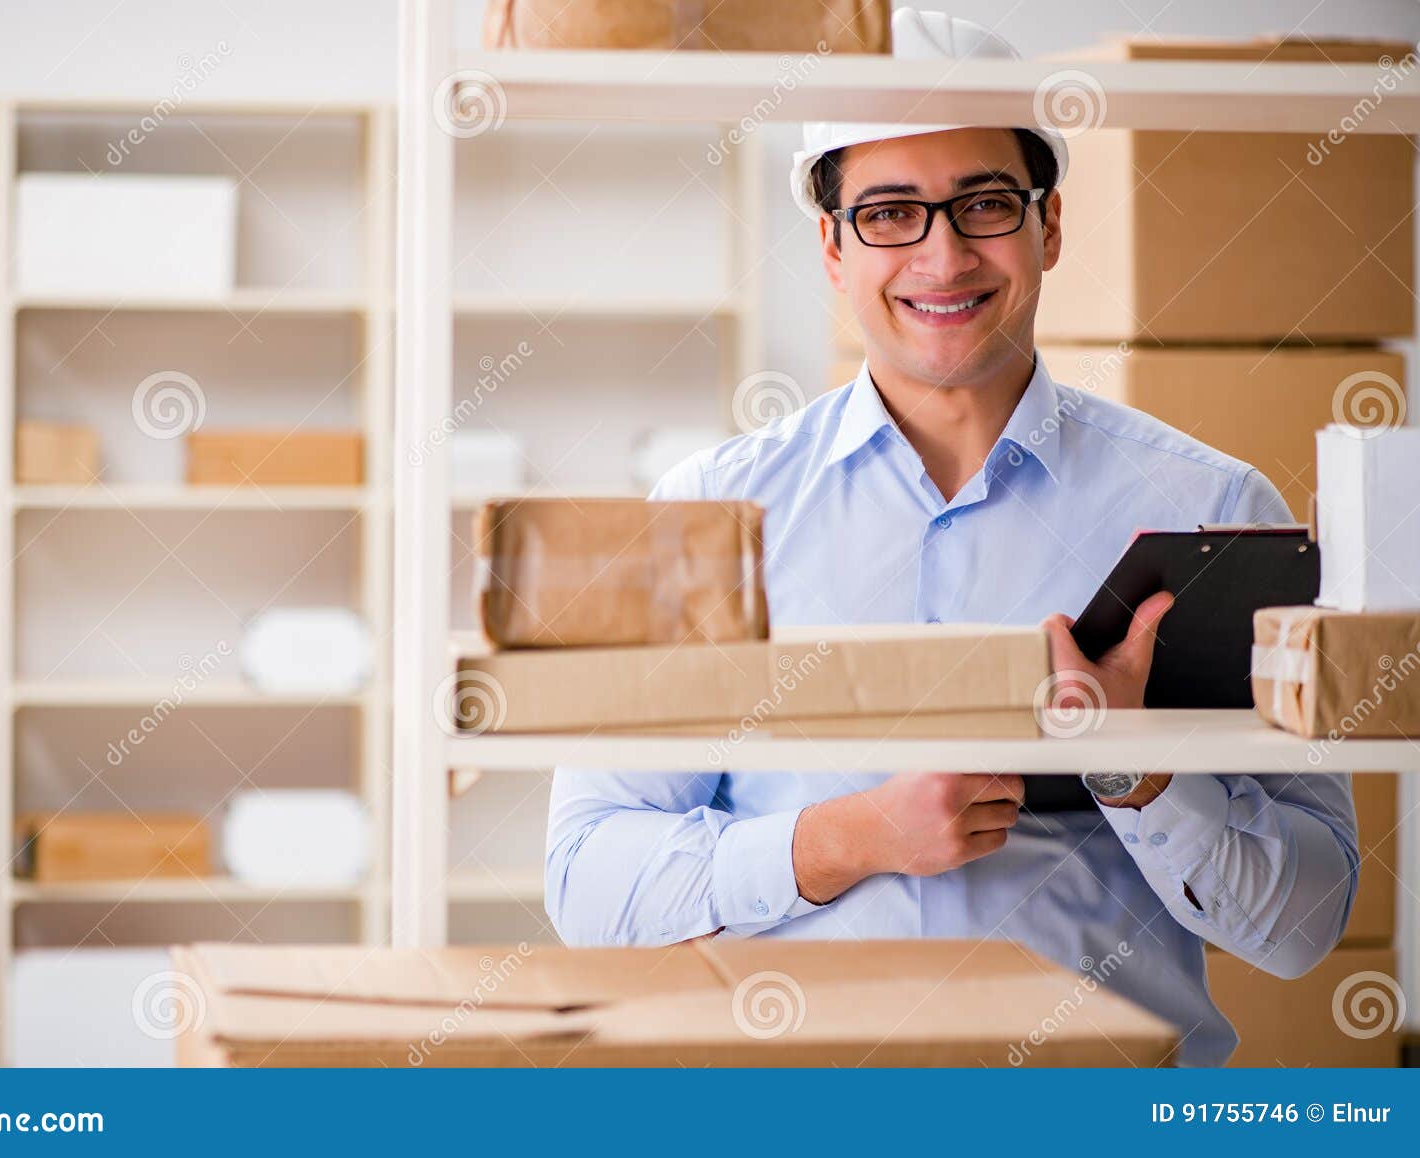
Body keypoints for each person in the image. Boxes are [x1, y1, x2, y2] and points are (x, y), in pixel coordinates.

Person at [543, 8, 1357, 1066]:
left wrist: (1138, 772)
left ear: (1047, 226)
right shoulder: (709, 513)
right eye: (888, 213)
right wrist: (845, 840)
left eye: (982, 204)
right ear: (831, 246)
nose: (942, 254)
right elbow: (587, 883)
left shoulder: (1210, 509)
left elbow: (1303, 928)